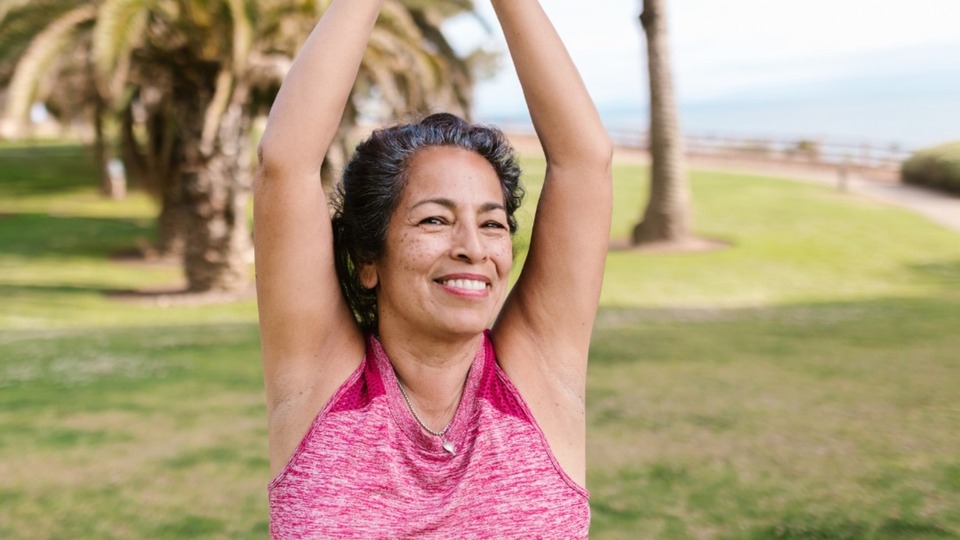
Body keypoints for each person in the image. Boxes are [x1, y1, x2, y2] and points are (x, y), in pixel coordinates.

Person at [254, 0, 612, 537]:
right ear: (368, 259)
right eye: (434, 220)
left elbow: (584, 162)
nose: (473, 247)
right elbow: (285, 163)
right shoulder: (320, 382)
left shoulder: (535, 381)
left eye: (492, 224)